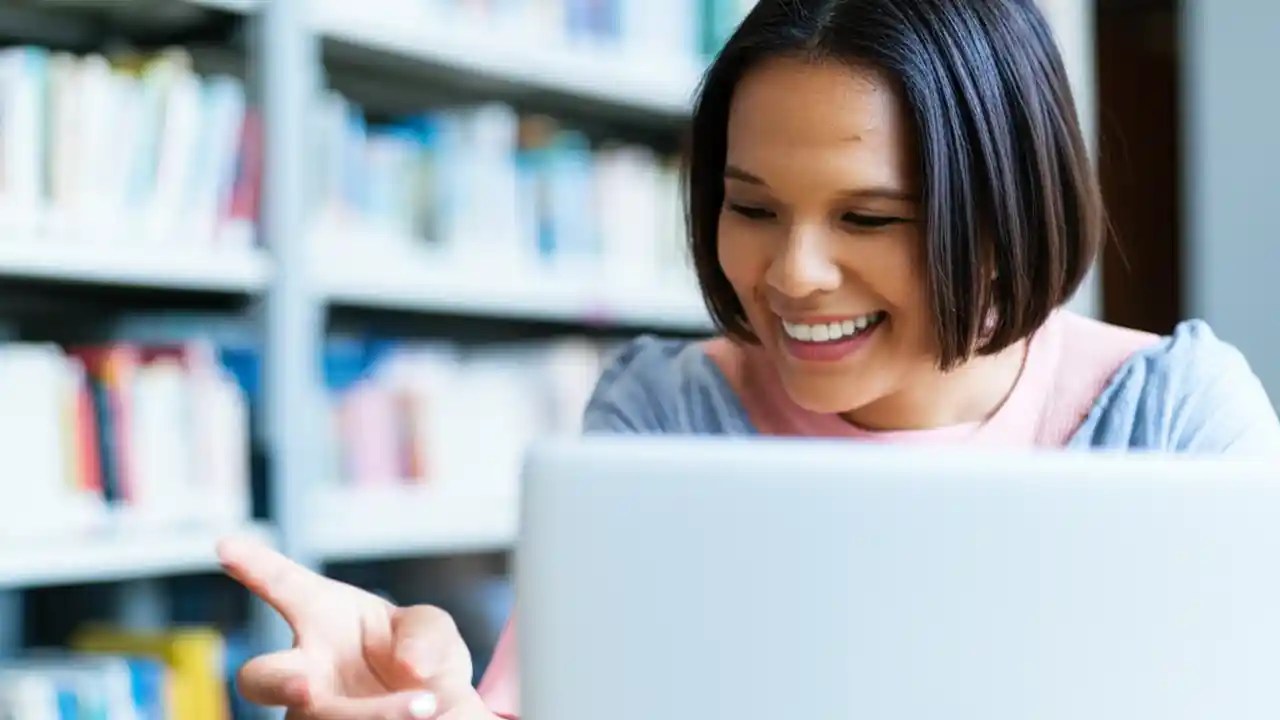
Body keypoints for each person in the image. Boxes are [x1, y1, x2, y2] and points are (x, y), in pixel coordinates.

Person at [217, 0, 1280, 717]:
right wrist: (429, 710)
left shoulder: (1175, 421)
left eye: (869, 218)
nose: (792, 275)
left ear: (1005, 210)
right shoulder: (665, 414)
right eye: (752, 208)